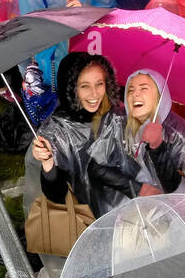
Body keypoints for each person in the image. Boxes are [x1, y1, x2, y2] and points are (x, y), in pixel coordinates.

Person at [86, 68, 185, 214]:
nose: (135, 94)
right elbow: (94, 166)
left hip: (168, 213)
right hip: (120, 211)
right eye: (130, 89)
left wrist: (157, 147)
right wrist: (137, 188)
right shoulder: (114, 122)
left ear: (159, 95)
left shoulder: (178, 132)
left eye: (143, 89)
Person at [29, 53, 124, 216]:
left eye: (99, 84)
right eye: (84, 86)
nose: (94, 94)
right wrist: (48, 163)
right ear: (70, 88)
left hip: (126, 206)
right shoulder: (55, 132)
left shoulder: (115, 115)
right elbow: (57, 197)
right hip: (86, 218)